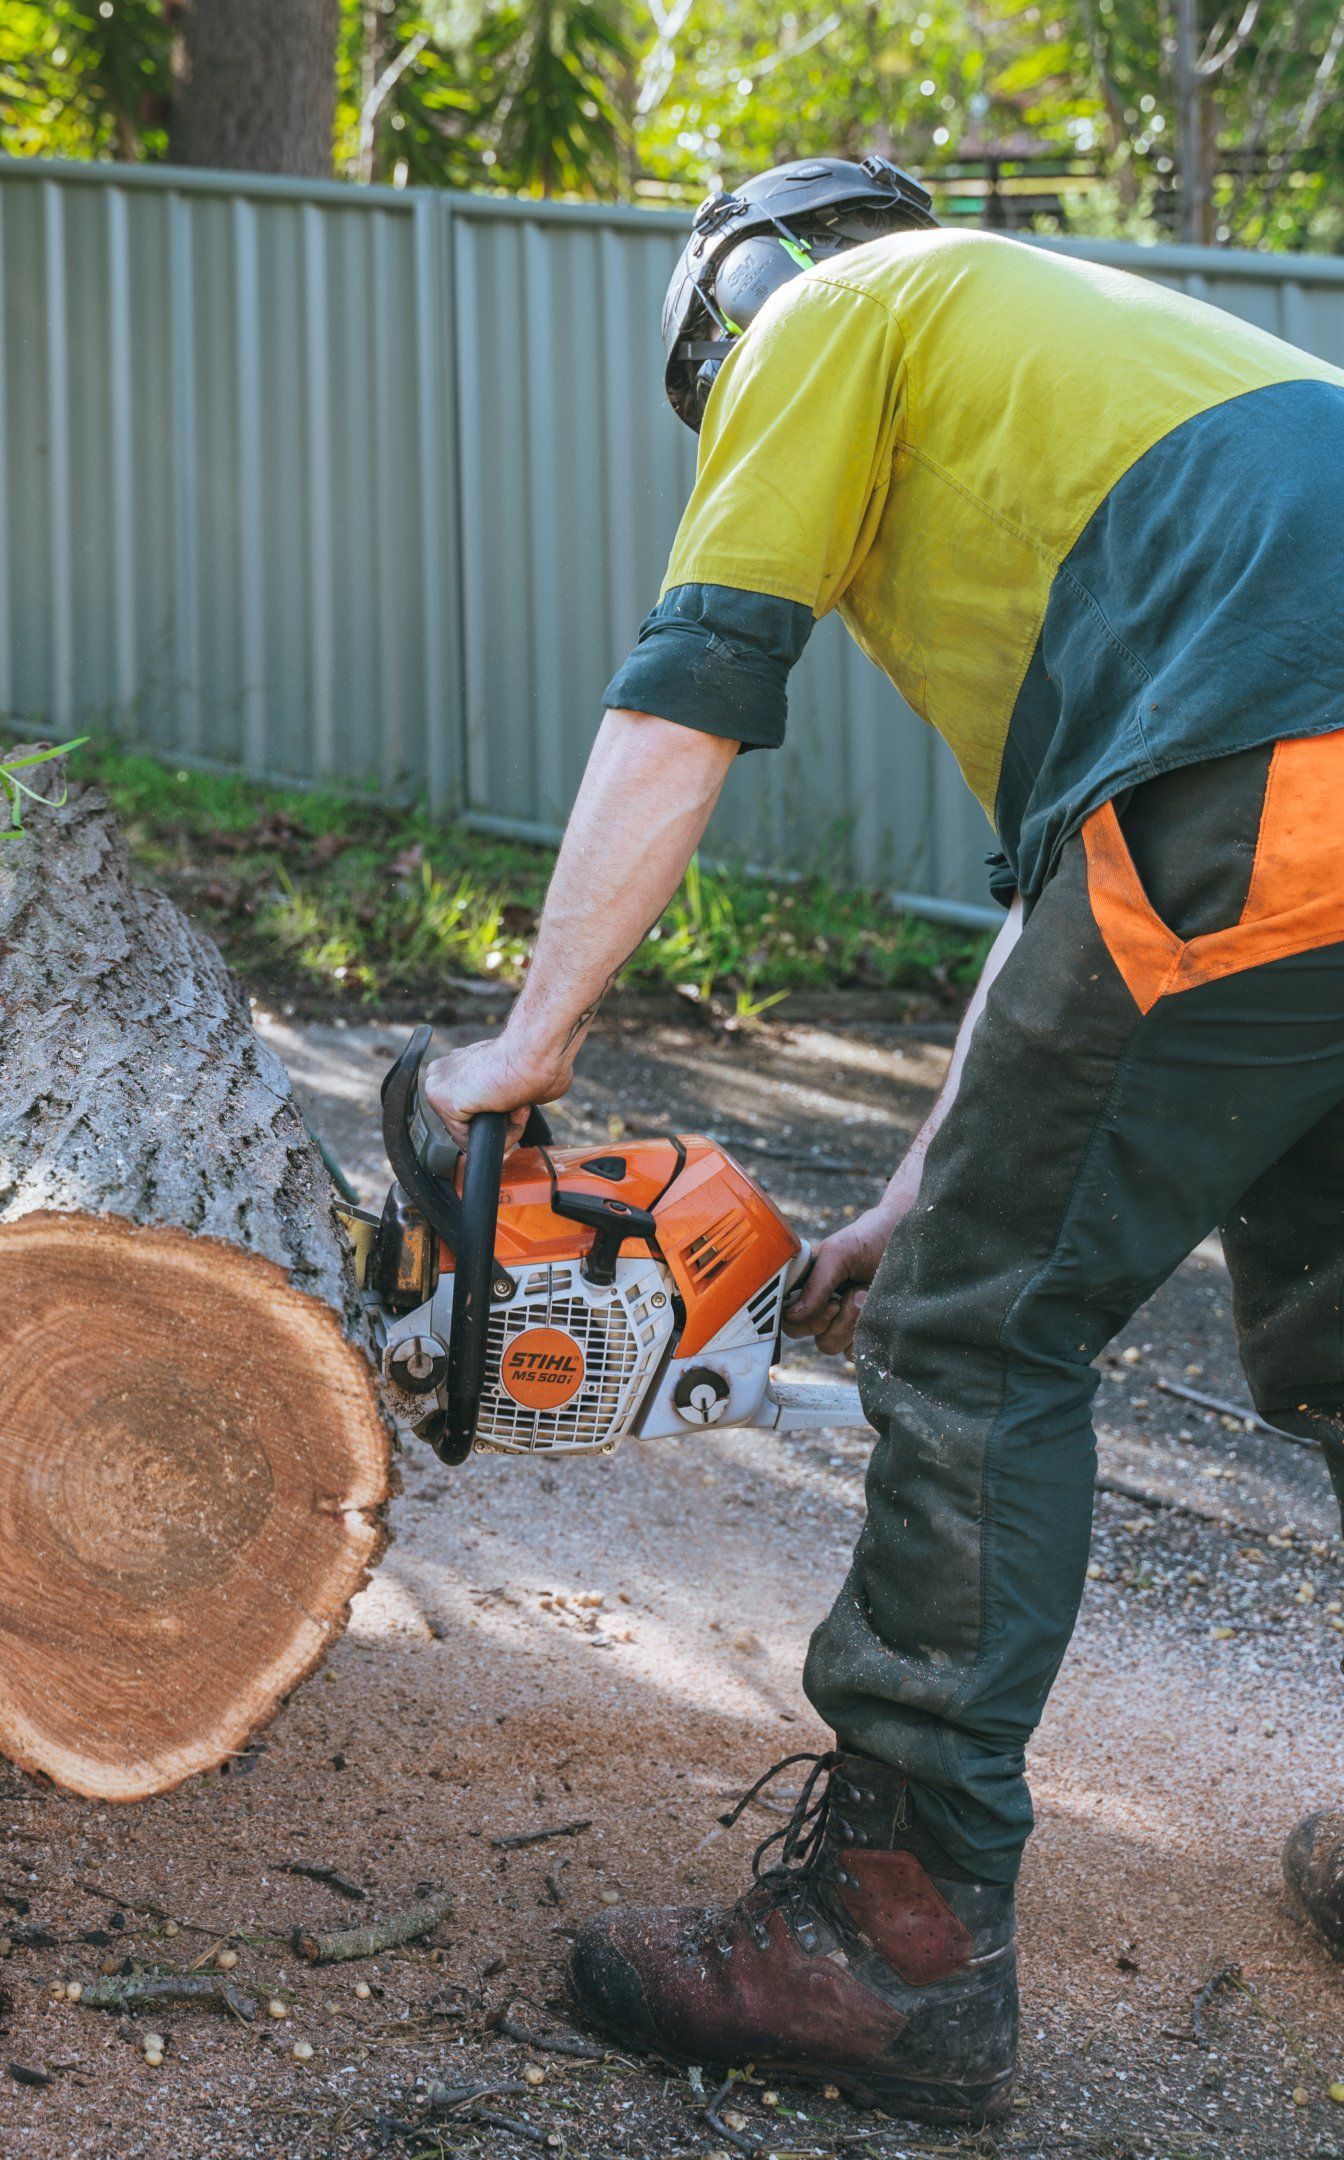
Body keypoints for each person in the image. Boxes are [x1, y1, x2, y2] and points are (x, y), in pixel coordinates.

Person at [422, 158, 1344, 2125]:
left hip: (1280, 771)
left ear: (729, 316)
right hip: (1283, 777)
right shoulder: (1088, 384)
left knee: (977, 1342)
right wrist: (918, 1202)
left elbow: (685, 699)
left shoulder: (829, 321)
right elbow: (1066, 917)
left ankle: (889, 1943)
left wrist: (527, 1043)